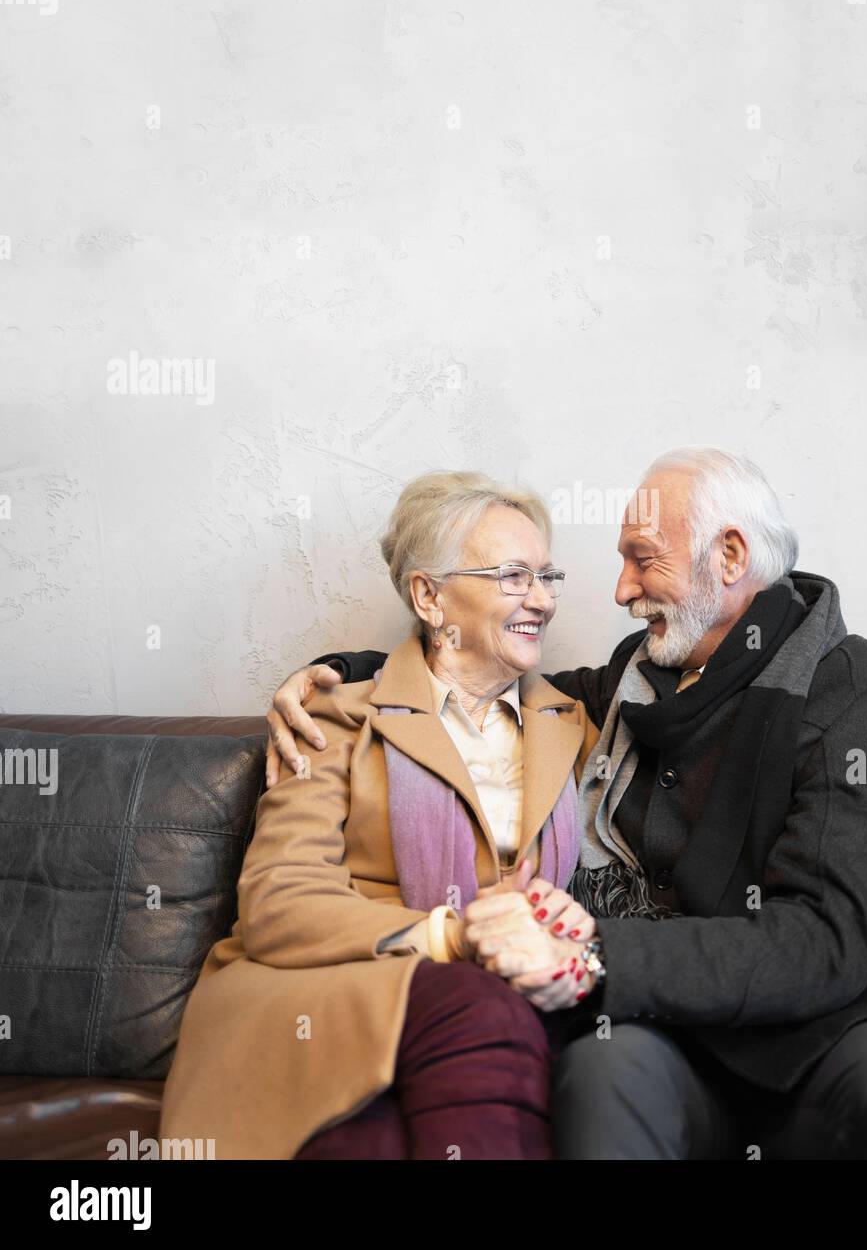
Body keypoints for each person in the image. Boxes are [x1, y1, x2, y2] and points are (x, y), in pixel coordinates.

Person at [271, 448, 867, 1160]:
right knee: (603, 1074)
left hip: (827, 1036)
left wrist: (590, 952)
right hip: (659, 1032)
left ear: (728, 557)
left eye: (642, 558)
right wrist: (340, 676)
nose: (620, 591)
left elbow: (823, 942)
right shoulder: (634, 681)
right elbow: (480, 671)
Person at [159, 471, 602, 1159]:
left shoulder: (578, 727)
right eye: (514, 576)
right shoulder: (335, 720)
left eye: (548, 576)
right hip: (334, 991)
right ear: (429, 595)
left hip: (506, 999)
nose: (541, 600)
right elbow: (281, 901)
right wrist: (450, 936)